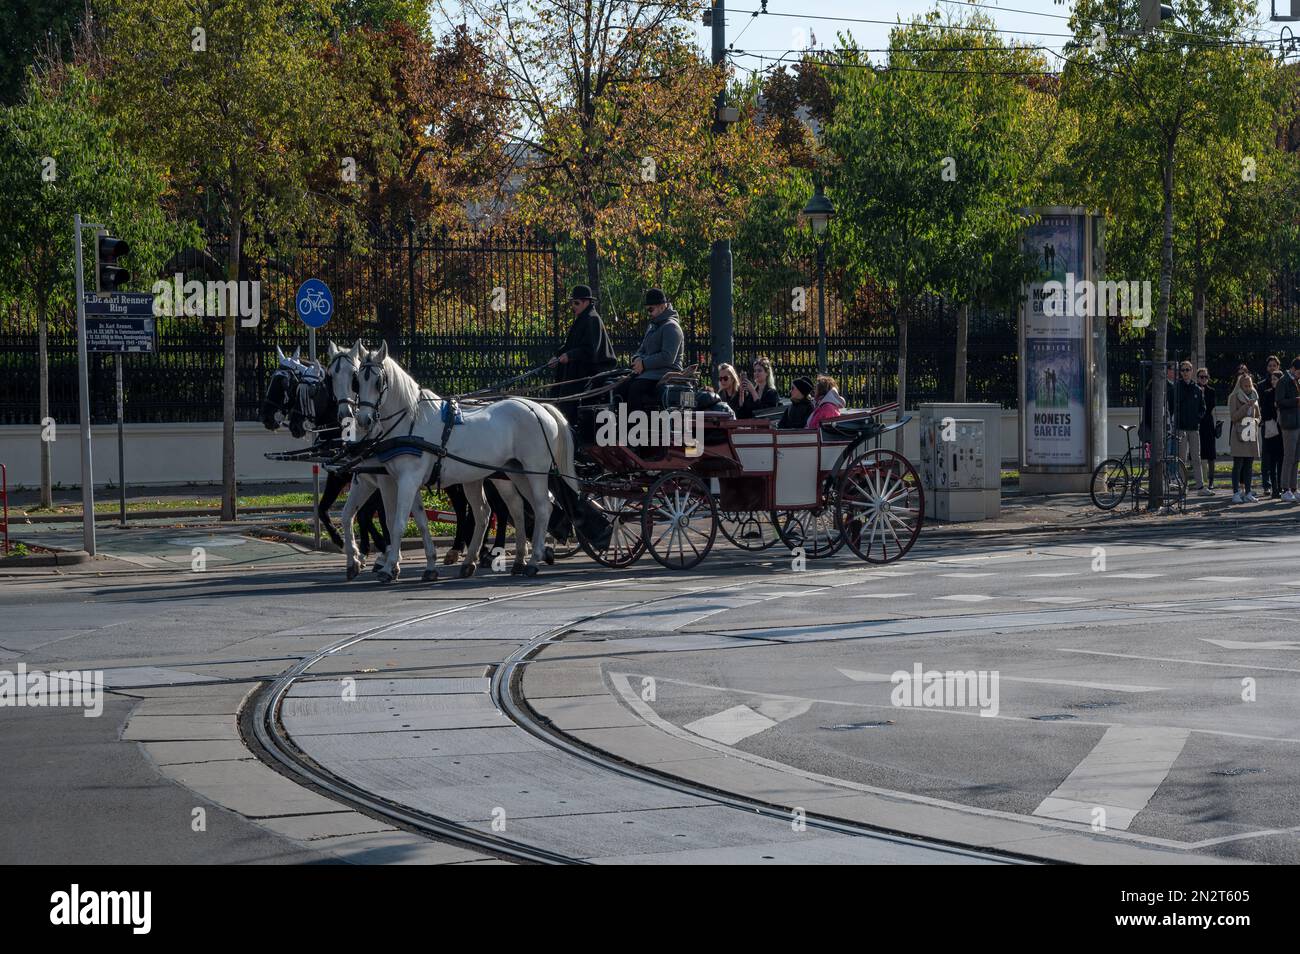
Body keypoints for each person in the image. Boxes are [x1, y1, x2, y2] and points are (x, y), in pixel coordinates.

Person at [549, 285, 617, 420]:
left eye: (576, 303)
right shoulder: (582, 318)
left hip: (593, 370)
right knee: (558, 389)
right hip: (580, 367)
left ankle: (570, 422)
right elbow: (570, 345)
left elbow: (590, 350)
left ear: (586, 302)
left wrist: (570, 356)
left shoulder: (592, 319)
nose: (573, 306)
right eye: (572, 302)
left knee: (568, 394)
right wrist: (557, 356)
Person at [613, 287, 684, 413]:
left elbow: (667, 357)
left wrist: (644, 364)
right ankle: (621, 426)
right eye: (647, 310)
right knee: (619, 387)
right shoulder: (653, 326)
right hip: (649, 372)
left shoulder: (671, 327)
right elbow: (641, 350)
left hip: (665, 373)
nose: (649, 313)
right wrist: (637, 359)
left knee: (636, 389)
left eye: (651, 309)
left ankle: (634, 428)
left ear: (662, 306)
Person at [1174, 361, 1210, 494]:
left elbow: (1203, 408)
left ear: (1192, 371)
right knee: (1181, 458)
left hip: (1194, 428)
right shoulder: (1176, 387)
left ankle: (1200, 486)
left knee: (1196, 457)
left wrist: (1197, 418)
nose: (1185, 372)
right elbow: (1172, 406)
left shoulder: (1197, 389)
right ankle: (1183, 486)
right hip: (1181, 428)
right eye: (1183, 370)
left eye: (1187, 369)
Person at [1228, 372, 1261, 503]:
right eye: (1245, 386)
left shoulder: (1255, 396)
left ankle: (1248, 492)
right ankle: (1236, 492)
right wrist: (1245, 407)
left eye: (1250, 385)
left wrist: (1256, 422)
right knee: (1238, 464)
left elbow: (1259, 415)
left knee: (1249, 464)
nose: (1248, 388)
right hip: (1238, 433)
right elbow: (1233, 416)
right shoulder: (1234, 397)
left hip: (1251, 431)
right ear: (1240, 386)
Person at [1276, 357, 1300, 501]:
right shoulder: (1283, 381)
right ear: (1294, 369)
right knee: (1289, 457)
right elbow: (1279, 402)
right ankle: (1285, 489)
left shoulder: (1296, 380)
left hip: (1298, 423)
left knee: (1296, 458)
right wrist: (1296, 401)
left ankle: (1293, 488)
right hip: (1289, 424)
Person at [1261, 370, 1284, 497]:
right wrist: (1274, 408)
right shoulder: (1268, 394)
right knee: (1272, 461)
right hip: (1272, 431)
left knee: (1281, 460)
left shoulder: (1284, 394)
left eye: (1276, 379)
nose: (1274, 381)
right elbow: (1264, 413)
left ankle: (1281, 486)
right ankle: (1274, 488)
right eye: (1272, 379)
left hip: (1283, 430)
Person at [1197, 368, 1217, 489]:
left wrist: (1203, 395)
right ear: (1198, 378)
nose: (1203, 379)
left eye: (1205, 377)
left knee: (1211, 454)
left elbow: (1210, 406)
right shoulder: (1194, 389)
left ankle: (1211, 480)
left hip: (1208, 423)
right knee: (1198, 453)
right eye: (1201, 377)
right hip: (1198, 422)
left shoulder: (1211, 391)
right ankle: (1200, 480)